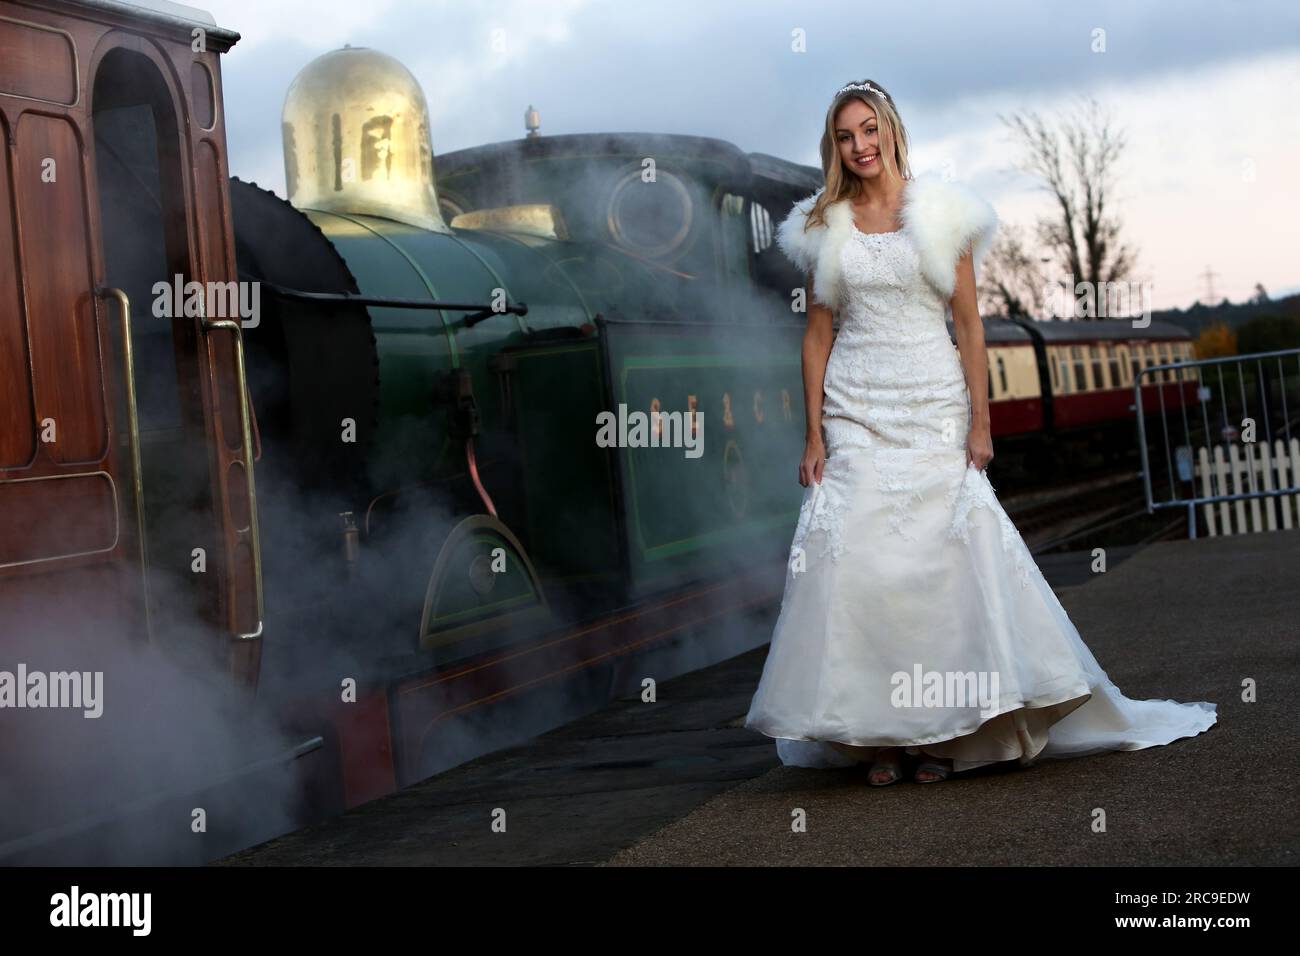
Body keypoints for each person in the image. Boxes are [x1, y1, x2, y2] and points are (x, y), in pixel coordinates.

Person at [743, 79, 1216, 786]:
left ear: (892, 129)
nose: (861, 146)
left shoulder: (945, 212)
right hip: (855, 409)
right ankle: (880, 739)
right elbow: (817, 335)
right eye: (847, 136)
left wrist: (980, 423)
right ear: (833, 146)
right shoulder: (823, 223)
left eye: (870, 130)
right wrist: (813, 435)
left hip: (933, 403)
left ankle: (946, 733)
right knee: (862, 567)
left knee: (938, 570)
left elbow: (969, 326)